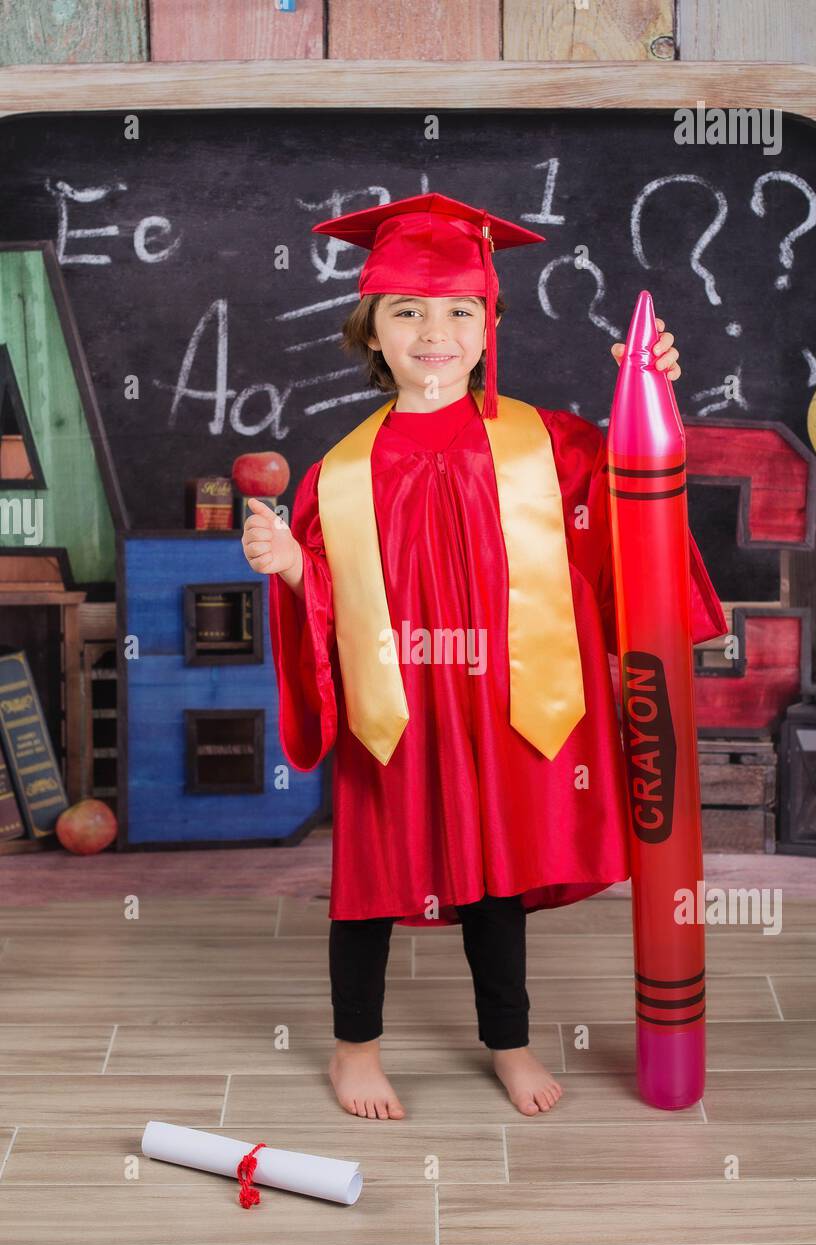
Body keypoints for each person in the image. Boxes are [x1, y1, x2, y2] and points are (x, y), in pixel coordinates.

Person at [241, 192, 727, 1122]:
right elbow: (335, 605)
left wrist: (649, 390)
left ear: (490, 323)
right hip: (398, 710)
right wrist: (294, 568)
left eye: (461, 310)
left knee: (495, 878)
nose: (436, 331)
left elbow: (632, 511)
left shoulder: (553, 446)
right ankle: (355, 1052)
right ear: (372, 333)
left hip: (503, 707)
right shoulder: (338, 473)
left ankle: (509, 1043)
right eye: (409, 311)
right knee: (370, 885)